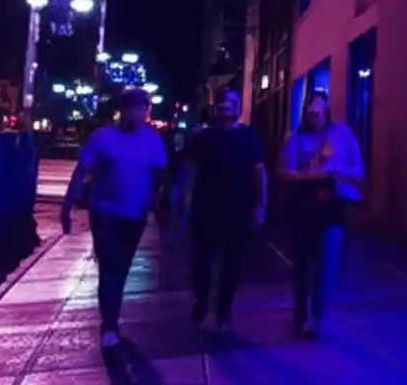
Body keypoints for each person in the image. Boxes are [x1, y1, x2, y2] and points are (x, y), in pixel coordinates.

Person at [61, 88, 168, 349]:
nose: (137, 112)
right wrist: (68, 204)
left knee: (121, 269)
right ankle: (109, 326)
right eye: (132, 107)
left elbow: (159, 179)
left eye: (142, 107)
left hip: (135, 215)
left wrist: (162, 212)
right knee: (110, 267)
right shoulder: (103, 137)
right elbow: (82, 170)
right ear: (123, 109)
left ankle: (111, 319)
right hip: (105, 213)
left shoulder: (153, 141)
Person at [177, 88, 267, 330]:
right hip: (205, 209)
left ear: (238, 107)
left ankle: (224, 310)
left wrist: (260, 206)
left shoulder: (249, 137)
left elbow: (259, 173)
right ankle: (201, 305)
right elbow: (190, 172)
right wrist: (185, 204)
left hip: (237, 209)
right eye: (222, 102)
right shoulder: (202, 138)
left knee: (232, 263)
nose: (225, 106)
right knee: (201, 262)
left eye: (230, 102)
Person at [279, 91, 365, 337]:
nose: (314, 116)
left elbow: (359, 170)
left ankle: (318, 315)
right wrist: (307, 174)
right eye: (310, 112)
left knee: (327, 261)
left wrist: (337, 170)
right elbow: (284, 171)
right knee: (302, 263)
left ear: (326, 110)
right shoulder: (295, 138)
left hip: (332, 205)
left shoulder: (342, 134)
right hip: (303, 207)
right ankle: (300, 312)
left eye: (318, 111)